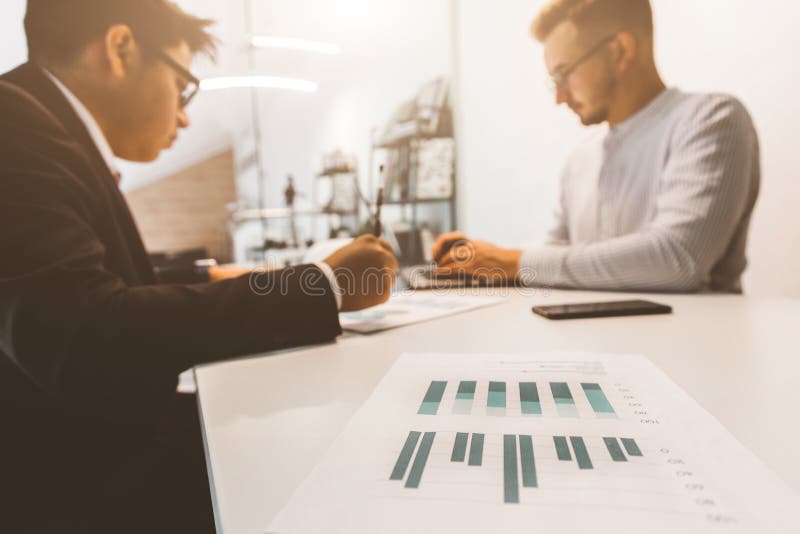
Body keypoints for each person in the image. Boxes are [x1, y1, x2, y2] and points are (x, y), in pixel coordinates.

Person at [0, 1, 397, 532]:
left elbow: (82, 285)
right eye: (183, 84)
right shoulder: (15, 126)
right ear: (120, 49)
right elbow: (84, 337)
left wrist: (209, 277)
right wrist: (322, 286)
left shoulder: (37, 121)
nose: (186, 115)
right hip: (72, 489)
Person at [433, 0, 760, 293]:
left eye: (564, 74)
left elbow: (678, 258)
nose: (559, 97)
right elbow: (557, 253)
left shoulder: (711, 119)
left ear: (620, 51)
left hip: (694, 352)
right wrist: (483, 261)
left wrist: (510, 262)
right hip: (592, 352)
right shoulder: (581, 158)